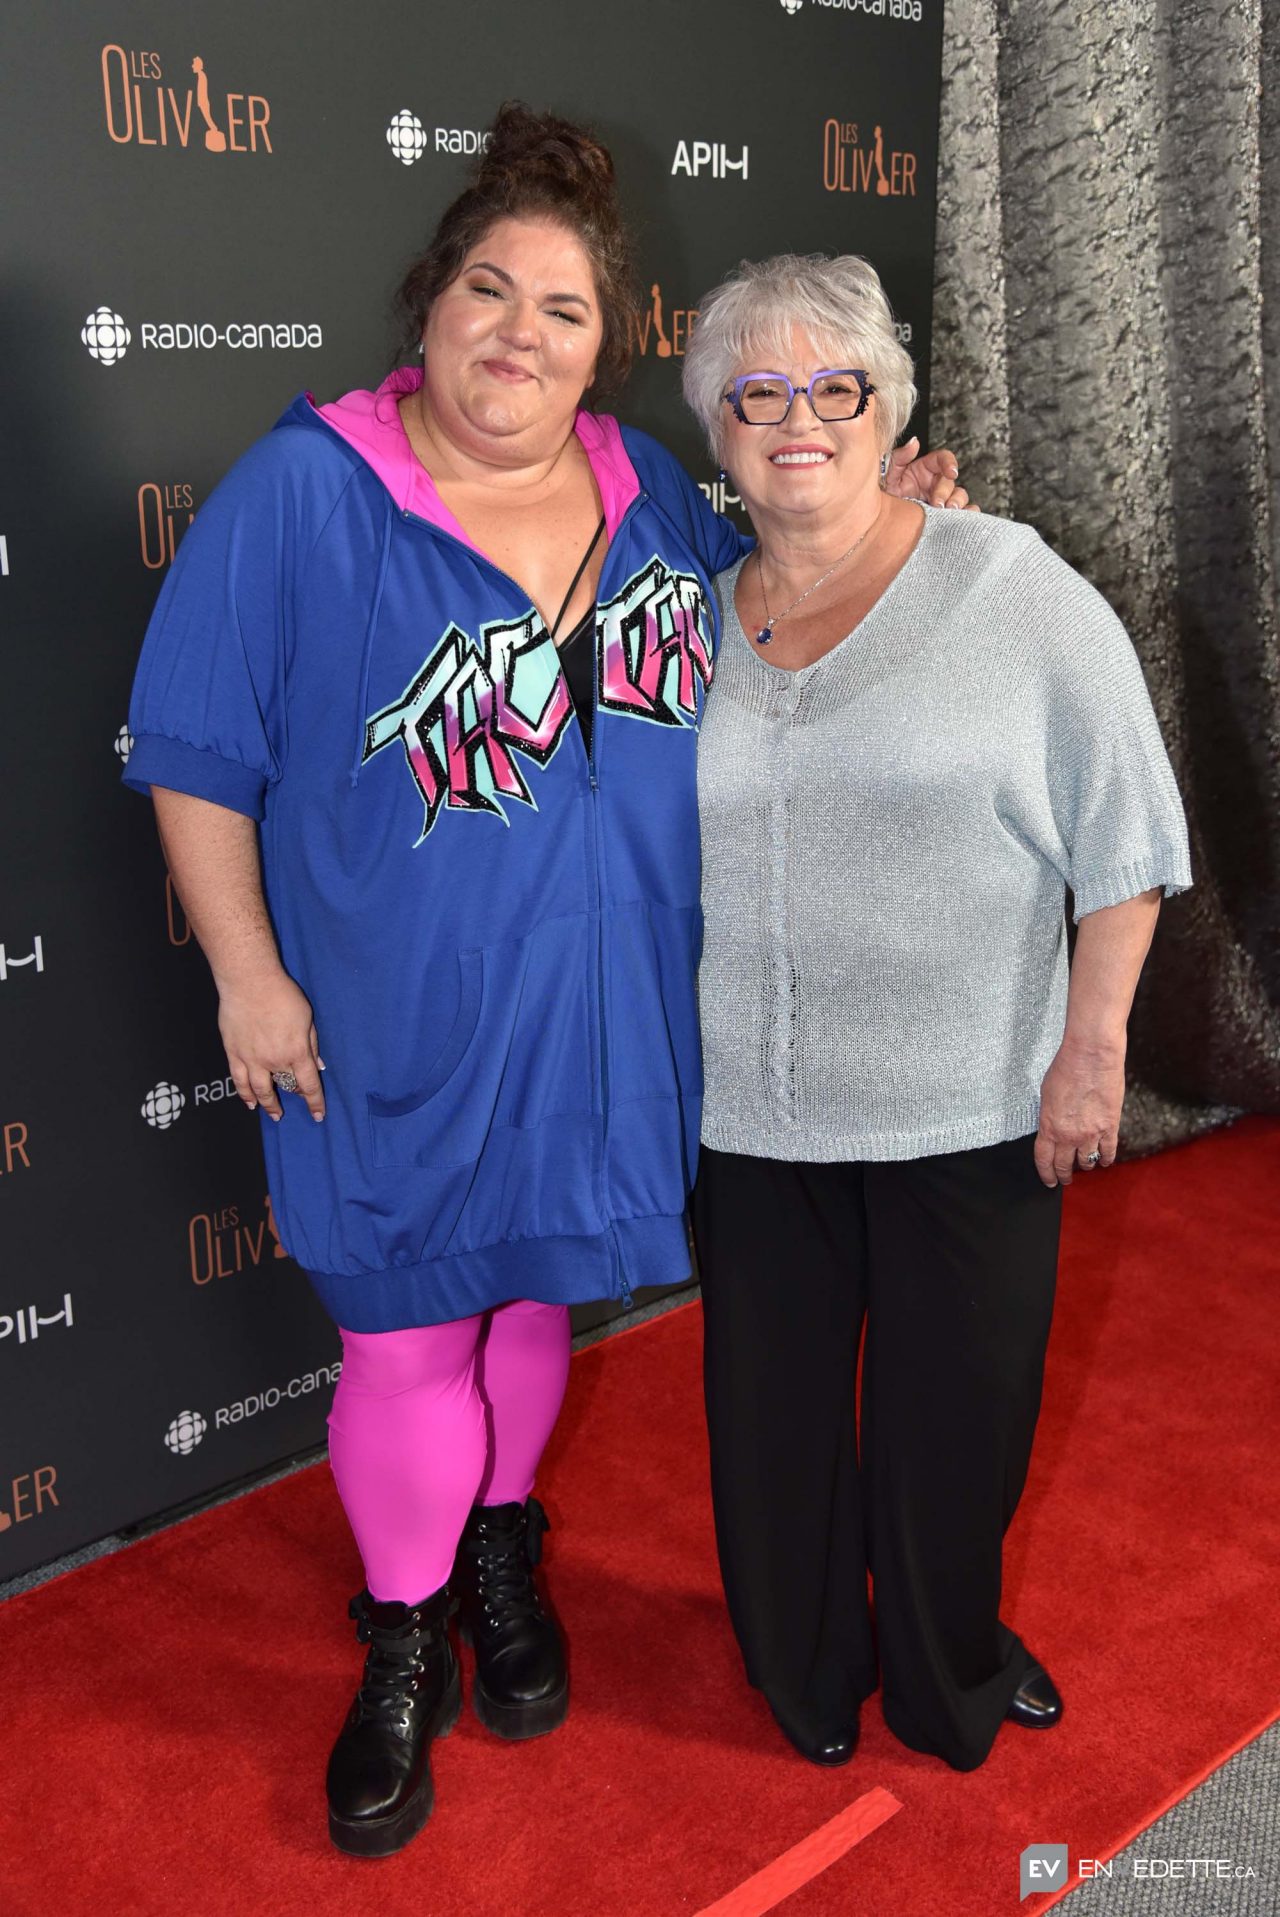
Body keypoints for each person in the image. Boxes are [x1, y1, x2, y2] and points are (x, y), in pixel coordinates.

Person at [121, 112, 968, 1856]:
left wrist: (899, 511)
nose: (521, 333)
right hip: (394, 1021)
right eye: (490, 292)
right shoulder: (307, 492)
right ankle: (402, 1630)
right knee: (407, 1333)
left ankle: (501, 1549)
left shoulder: (648, 486)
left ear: (605, 346)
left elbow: (784, 603)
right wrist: (247, 976)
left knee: (525, 1303)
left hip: (608, 1010)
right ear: (427, 306)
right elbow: (194, 750)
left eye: (565, 310)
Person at [682, 253, 1192, 1774]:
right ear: (718, 429)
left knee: (954, 1423)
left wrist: (1091, 1052)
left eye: (834, 388)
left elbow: (1127, 840)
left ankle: (946, 1662)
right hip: (753, 1109)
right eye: (758, 392)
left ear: (888, 409)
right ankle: (803, 1672)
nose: (798, 419)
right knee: (773, 1431)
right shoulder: (683, 623)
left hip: (970, 1098)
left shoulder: (1010, 588)